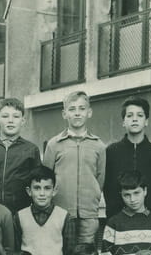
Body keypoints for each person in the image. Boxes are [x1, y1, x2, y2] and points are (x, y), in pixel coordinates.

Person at [43, 89, 106, 246]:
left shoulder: (98, 145)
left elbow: (100, 178)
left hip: (88, 214)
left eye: (82, 109)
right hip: (61, 213)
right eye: (72, 109)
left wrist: (92, 198)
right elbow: (46, 178)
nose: (77, 113)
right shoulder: (54, 144)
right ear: (65, 114)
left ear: (89, 112)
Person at [13, 164, 78, 255]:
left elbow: (70, 253)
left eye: (47, 188)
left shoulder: (64, 216)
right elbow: (16, 251)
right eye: (37, 188)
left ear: (54, 191)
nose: (42, 193)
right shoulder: (20, 216)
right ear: (29, 191)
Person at [0, 97, 41, 214]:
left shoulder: (31, 149)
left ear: (23, 121)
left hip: (20, 212)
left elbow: (36, 184)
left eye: (16, 116)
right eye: (5, 116)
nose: (10, 121)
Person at [104, 97, 151, 218]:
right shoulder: (111, 151)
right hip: (118, 217)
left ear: (146, 121)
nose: (135, 119)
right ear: (123, 122)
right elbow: (107, 185)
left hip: (149, 217)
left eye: (140, 115)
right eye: (130, 115)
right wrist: (112, 212)